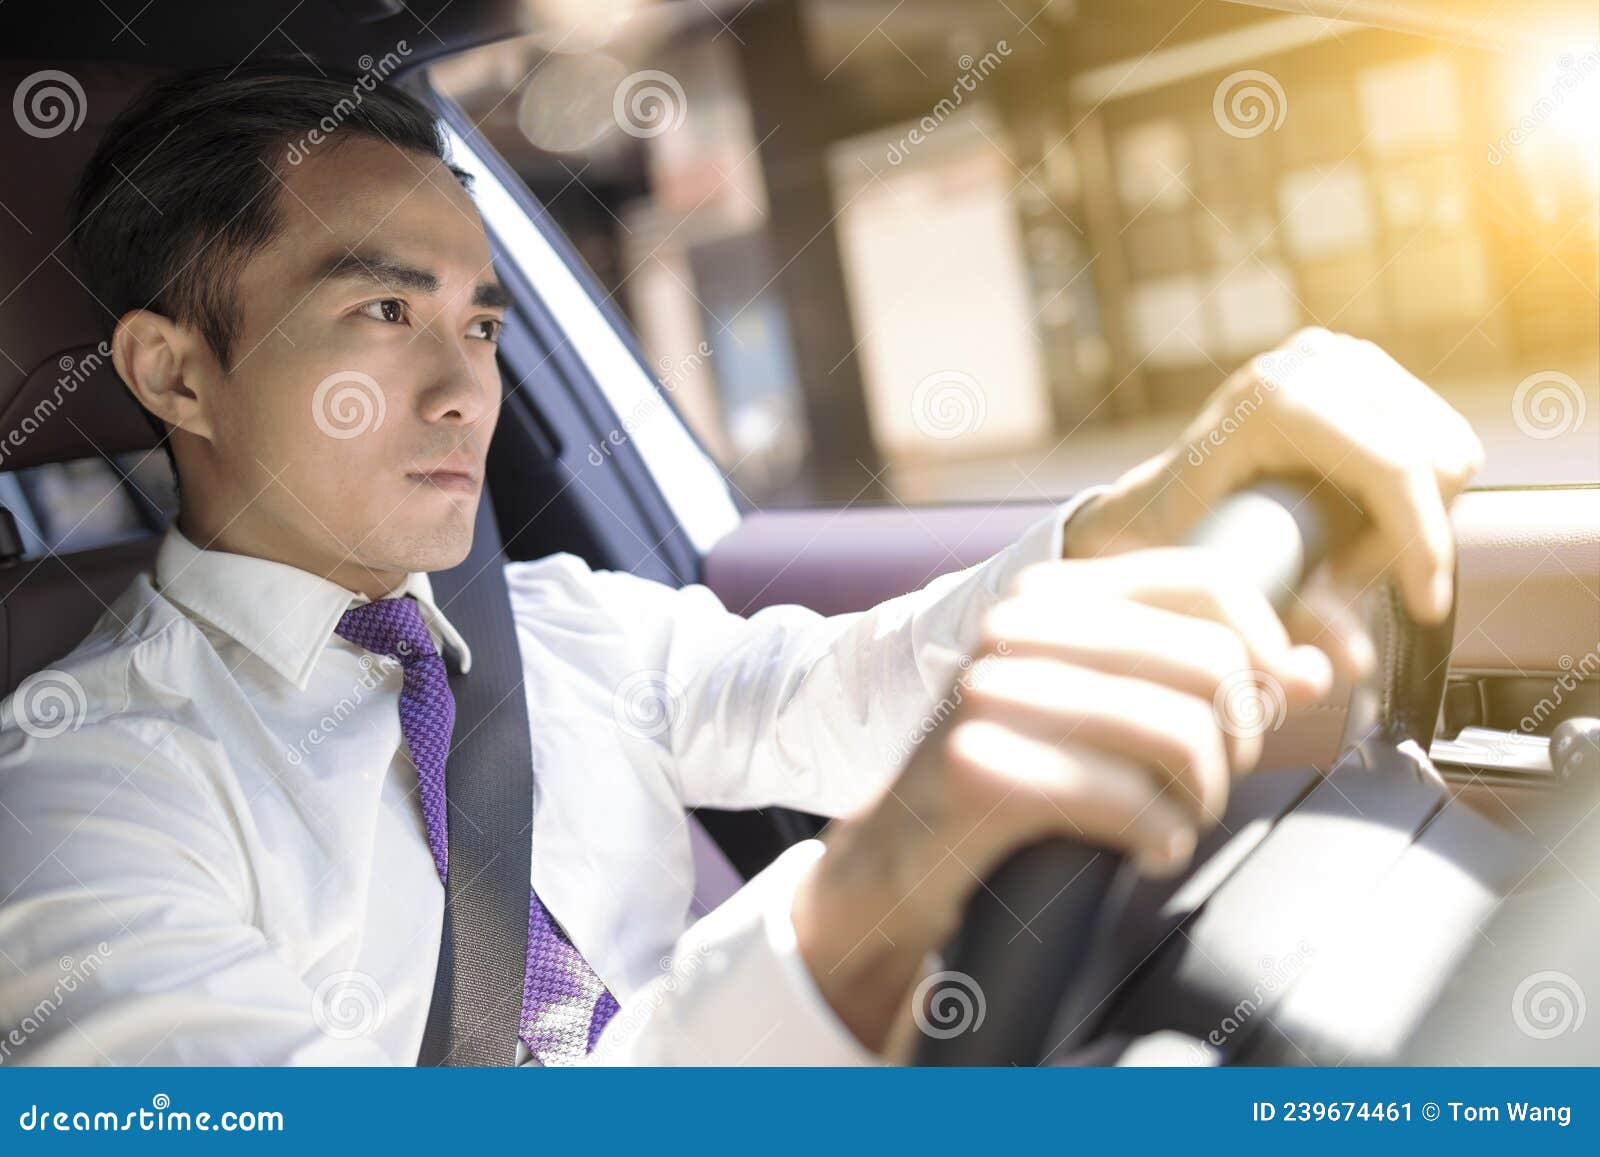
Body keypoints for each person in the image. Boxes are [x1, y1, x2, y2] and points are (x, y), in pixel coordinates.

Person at [0, 62, 1482, 1066]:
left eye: (485, 322)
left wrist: (1157, 506)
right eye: (384, 316)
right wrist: (855, 914)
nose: (468, 388)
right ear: (177, 375)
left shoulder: (557, 627)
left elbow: (847, 687)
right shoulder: (73, 800)